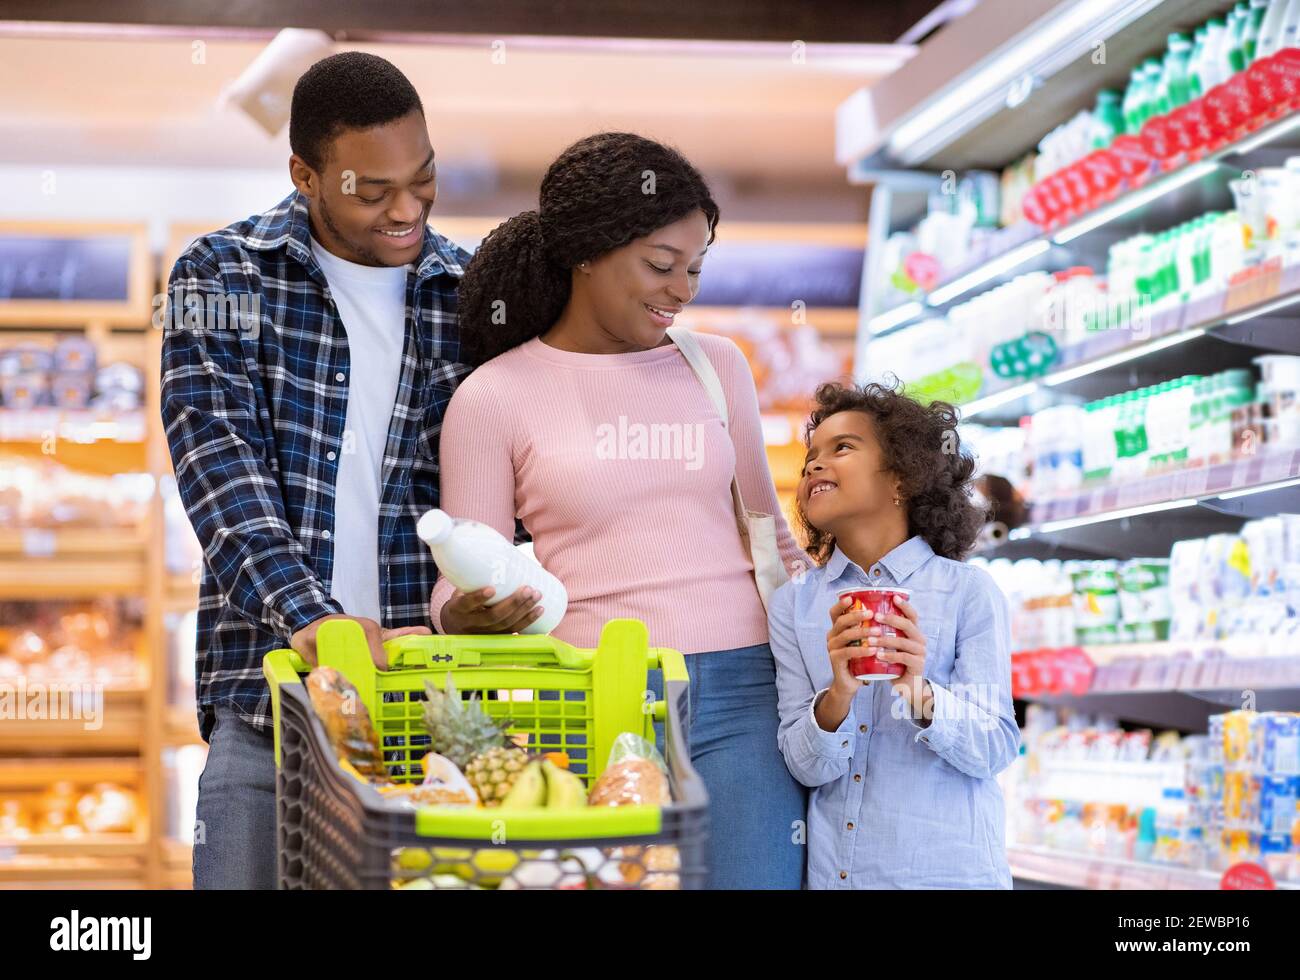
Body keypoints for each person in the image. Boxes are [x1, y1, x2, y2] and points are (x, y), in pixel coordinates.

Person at [160, 52, 520, 889]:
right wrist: (313, 620)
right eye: (372, 190)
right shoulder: (220, 276)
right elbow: (220, 470)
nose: (406, 210)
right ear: (305, 175)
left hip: (441, 714)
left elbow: (510, 478)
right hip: (272, 705)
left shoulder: (471, 292)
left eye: (423, 180)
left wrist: (493, 596)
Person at [431, 131, 809, 888]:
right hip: (590, 694)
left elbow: (771, 538)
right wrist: (467, 613)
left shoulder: (717, 366)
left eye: (696, 268)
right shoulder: (493, 397)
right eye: (661, 266)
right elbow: (456, 578)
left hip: (746, 691)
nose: (682, 290)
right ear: (586, 251)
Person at [768, 380, 1020, 888]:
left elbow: (996, 747)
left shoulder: (968, 592)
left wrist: (918, 691)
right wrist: (837, 696)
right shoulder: (795, 603)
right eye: (809, 457)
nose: (814, 464)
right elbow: (804, 765)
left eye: (842, 447)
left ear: (902, 478)